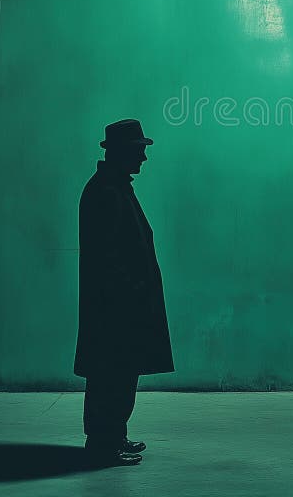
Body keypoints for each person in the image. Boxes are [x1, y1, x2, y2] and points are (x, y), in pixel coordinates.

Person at [73, 119, 174, 466]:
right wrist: (132, 294)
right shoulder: (106, 192)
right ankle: (103, 444)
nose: (144, 158)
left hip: (119, 306)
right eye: (140, 150)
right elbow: (110, 257)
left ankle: (112, 437)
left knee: (117, 374)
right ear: (122, 152)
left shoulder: (113, 187)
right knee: (111, 376)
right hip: (116, 308)